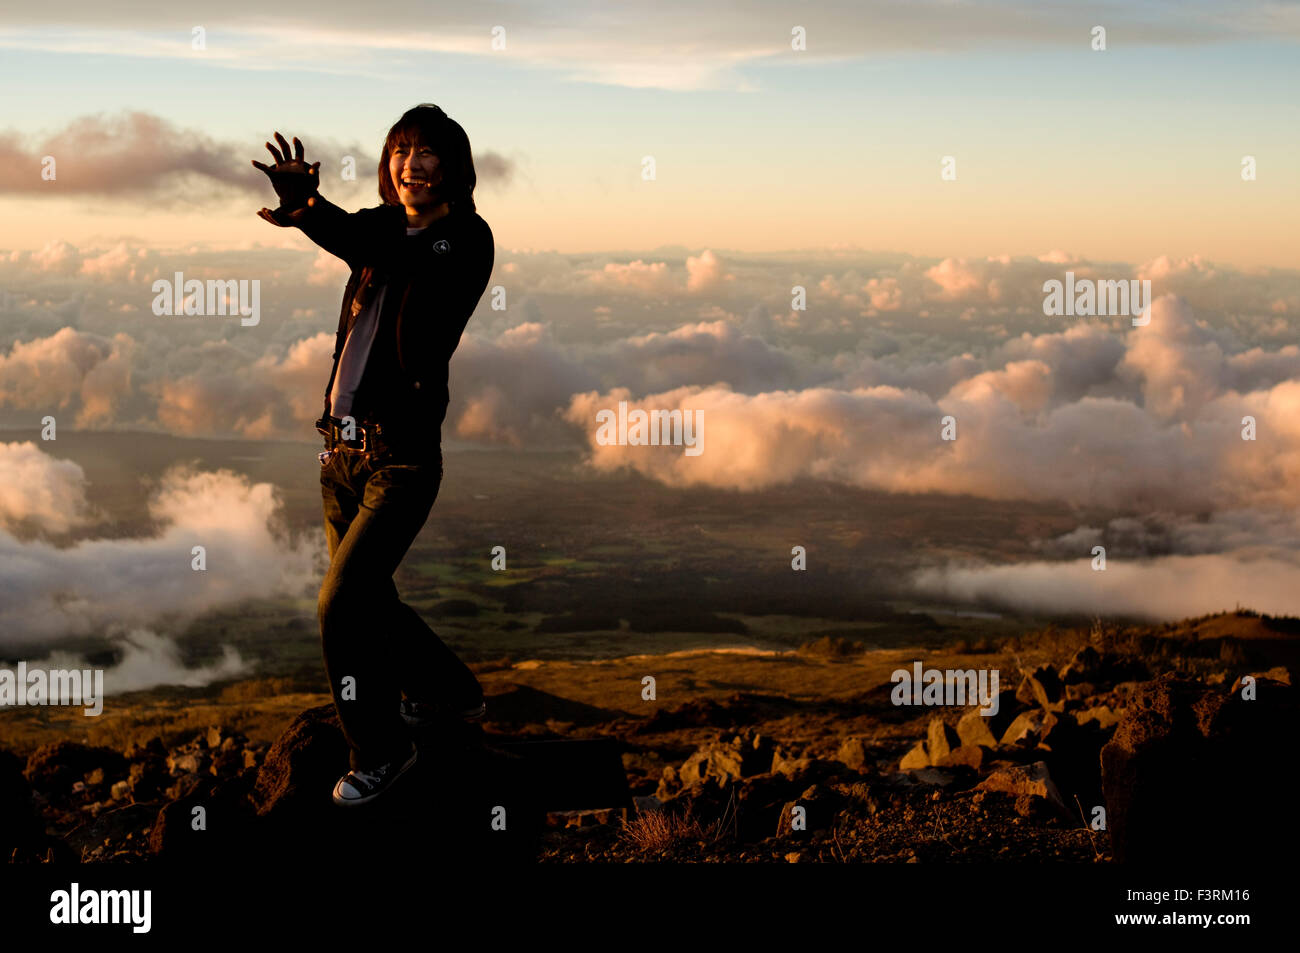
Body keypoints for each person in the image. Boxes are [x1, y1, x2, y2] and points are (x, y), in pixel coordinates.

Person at [252, 104, 494, 806]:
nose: (412, 162)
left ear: (453, 165)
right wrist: (309, 209)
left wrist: (312, 210)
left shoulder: (462, 240)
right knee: (368, 599)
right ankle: (451, 693)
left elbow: (387, 253)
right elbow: (363, 237)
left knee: (340, 605)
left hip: (402, 459)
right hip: (340, 455)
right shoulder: (381, 228)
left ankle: (379, 750)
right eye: (400, 150)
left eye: (428, 152)